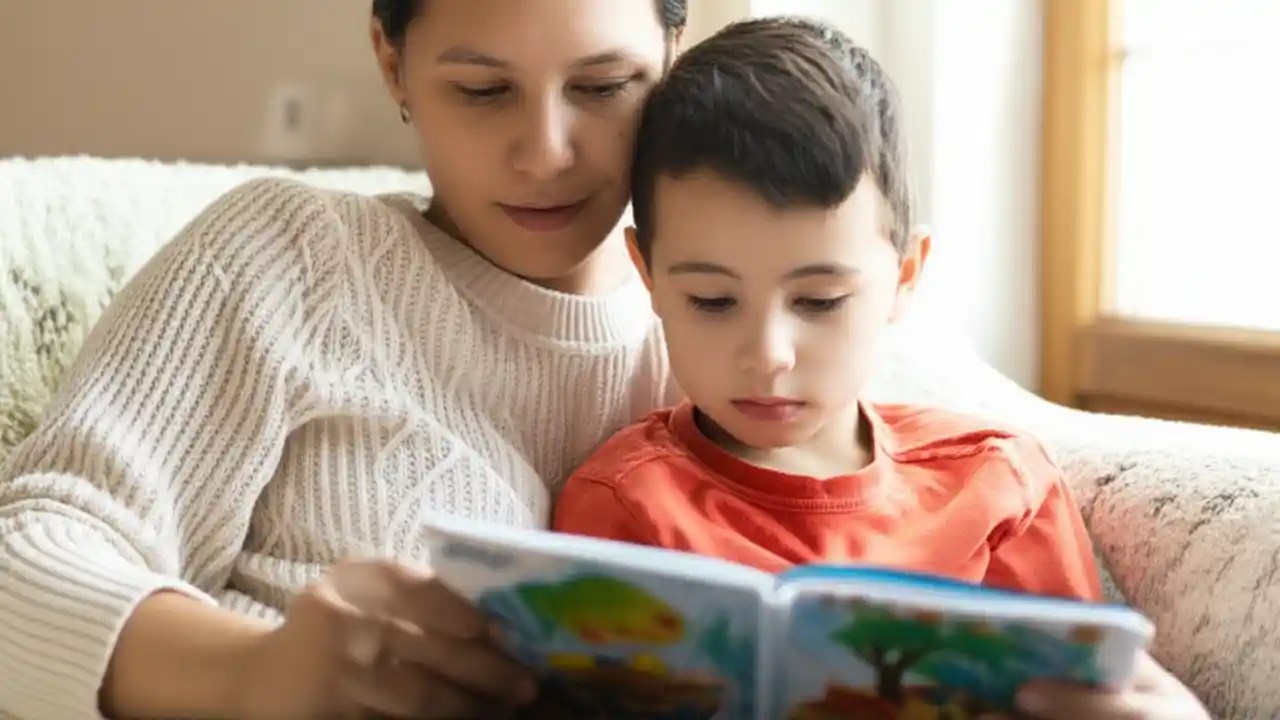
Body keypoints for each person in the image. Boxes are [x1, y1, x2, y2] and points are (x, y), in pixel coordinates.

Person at [0, 2, 1209, 719]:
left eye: (603, 85)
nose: (545, 151)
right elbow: (29, 556)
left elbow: (954, 462)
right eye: (480, 89)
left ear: (671, 52)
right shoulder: (297, 256)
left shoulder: (731, 311)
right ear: (389, 63)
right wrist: (254, 677)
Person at [555, 16, 1212, 720]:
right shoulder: (625, 505)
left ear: (904, 277)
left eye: (820, 299)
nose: (769, 352)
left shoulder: (998, 484)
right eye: (712, 300)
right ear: (647, 276)